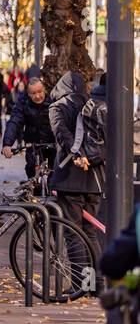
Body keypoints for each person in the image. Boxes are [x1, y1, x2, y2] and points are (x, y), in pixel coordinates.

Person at [49, 70, 105, 259]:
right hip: (95, 180)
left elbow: (61, 133)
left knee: (73, 234)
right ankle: (95, 284)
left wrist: (76, 154)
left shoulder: (58, 106)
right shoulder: (92, 105)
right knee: (90, 234)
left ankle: (80, 284)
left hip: (70, 179)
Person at [1, 77, 54, 183]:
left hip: (51, 141)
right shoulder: (23, 103)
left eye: (40, 92)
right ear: (28, 93)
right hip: (32, 142)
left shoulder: (53, 101)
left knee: (54, 171)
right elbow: (14, 122)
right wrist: (7, 144)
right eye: (33, 93)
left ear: (44, 90)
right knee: (31, 169)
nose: (38, 96)